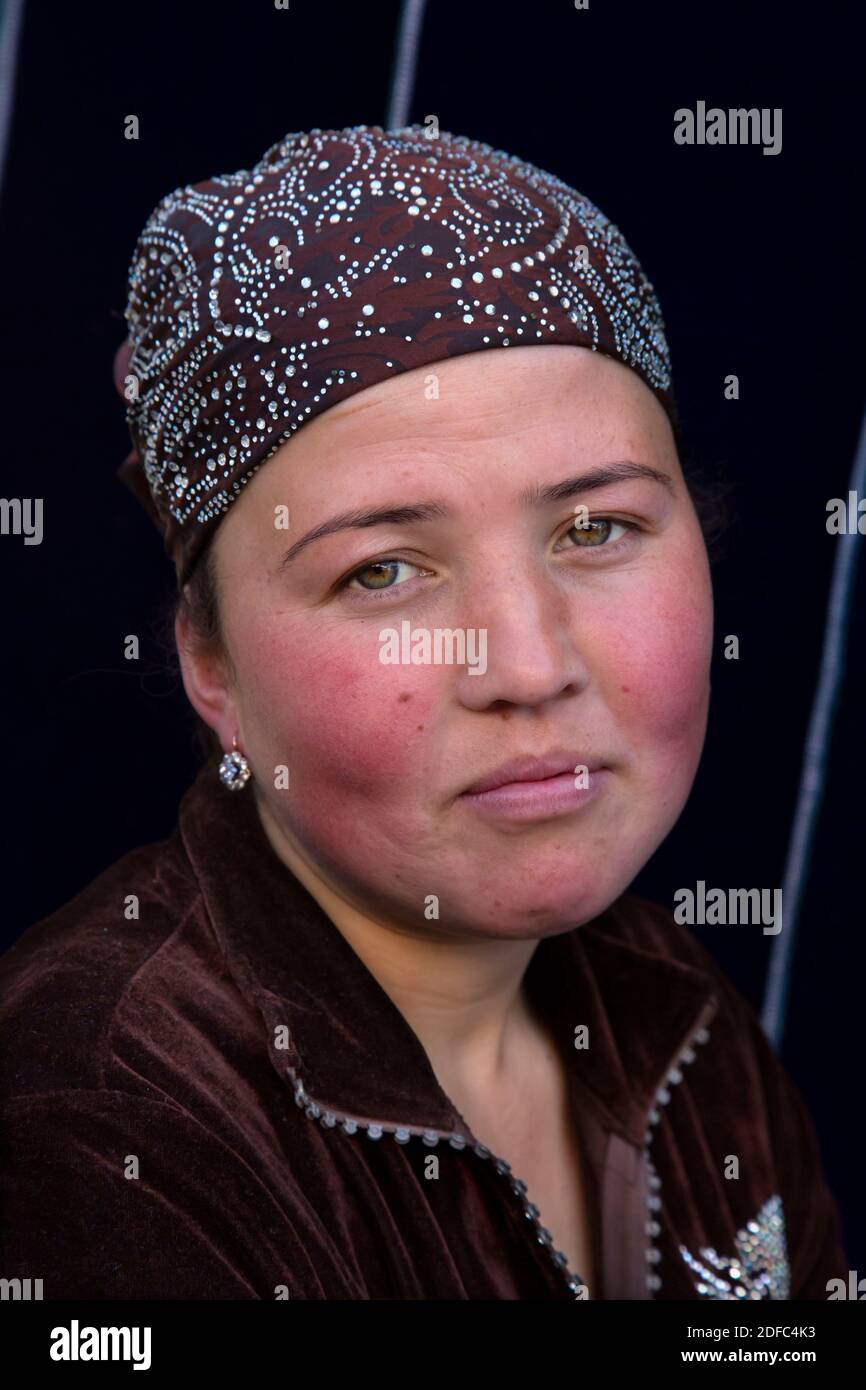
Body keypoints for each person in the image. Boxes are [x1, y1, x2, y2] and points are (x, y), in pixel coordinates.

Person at [0, 125, 848, 1300]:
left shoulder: (667, 1002)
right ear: (212, 665)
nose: (526, 665)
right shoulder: (100, 1131)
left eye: (593, 529)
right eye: (383, 571)